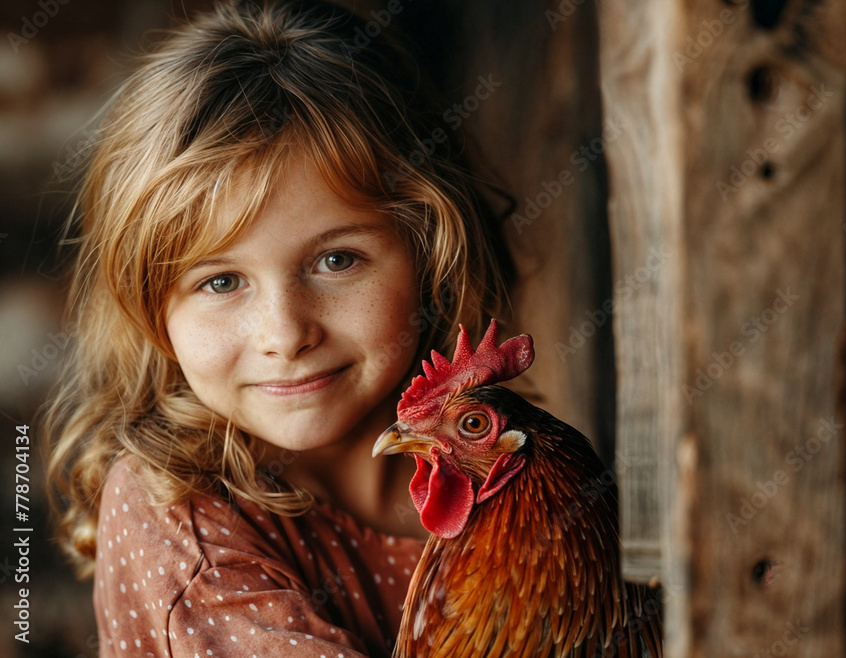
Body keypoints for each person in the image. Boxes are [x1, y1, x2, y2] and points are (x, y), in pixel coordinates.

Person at [41, 1, 510, 655]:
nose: (285, 333)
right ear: (153, 307)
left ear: (429, 250)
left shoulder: (500, 474)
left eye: (336, 260)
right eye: (221, 282)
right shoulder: (179, 516)